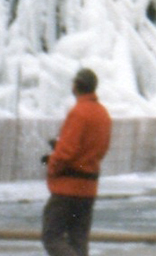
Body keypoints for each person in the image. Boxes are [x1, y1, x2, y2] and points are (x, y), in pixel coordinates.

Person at [42, 66, 112, 256]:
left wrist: (52, 165)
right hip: (88, 188)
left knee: (51, 236)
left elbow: (67, 152)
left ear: (76, 86)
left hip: (68, 188)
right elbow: (101, 148)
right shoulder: (103, 114)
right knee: (79, 240)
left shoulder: (78, 113)